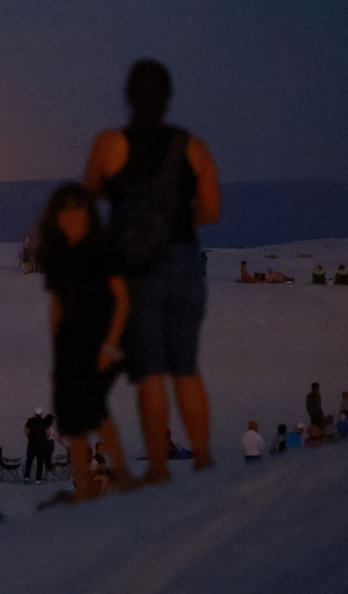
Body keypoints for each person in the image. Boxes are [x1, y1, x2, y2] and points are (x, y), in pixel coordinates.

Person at [83, 59, 220, 483]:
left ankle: (159, 469)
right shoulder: (191, 146)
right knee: (186, 368)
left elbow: (89, 194)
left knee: (150, 373)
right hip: (183, 260)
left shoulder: (110, 143)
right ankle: (202, 459)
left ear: (128, 98)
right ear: (167, 97)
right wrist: (175, 220)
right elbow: (212, 210)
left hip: (138, 268)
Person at [34, 183, 135, 501]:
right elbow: (57, 305)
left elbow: (122, 299)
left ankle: (121, 474)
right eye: (64, 209)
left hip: (99, 339)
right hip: (69, 343)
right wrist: (56, 346)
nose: (71, 215)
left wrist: (110, 344)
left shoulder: (102, 251)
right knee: (71, 418)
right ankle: (85, 486)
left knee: (93, 407)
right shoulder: (57, 256)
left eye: (78, 208)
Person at [23, 408, 49, 484]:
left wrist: (29, 437)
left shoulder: (30, 420)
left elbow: (26, 430)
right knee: (40, 462)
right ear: (41, 414)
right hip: (41, 444)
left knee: (29, 461)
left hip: (32, 444)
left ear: (35, 413)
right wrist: (44, 438)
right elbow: (48, 433)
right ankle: (38, 480)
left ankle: (26, 478)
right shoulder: (44, 421)